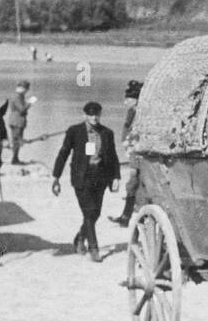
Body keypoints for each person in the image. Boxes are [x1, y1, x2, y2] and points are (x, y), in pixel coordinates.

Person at [52, 100, 120, 262]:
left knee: (96, 213)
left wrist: (116, 177)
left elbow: (114, 156)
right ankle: (94, 248)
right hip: (81, 177)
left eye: (96, 115)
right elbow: (64, 153)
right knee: (89, 212)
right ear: (85, 115)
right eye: (90, 115)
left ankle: (79, 237)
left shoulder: (107, 133)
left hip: (101, 178)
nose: (94, 118)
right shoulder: (75, 131)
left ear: (100, 115)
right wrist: (56, 177)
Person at [110, 80, 143, 227]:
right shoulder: (132, 112)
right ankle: (127, 215)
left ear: (135, 100)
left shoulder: (138, 115)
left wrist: (134, 162)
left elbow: (136, 138)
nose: (125, 102)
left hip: (136, 154)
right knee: (133, 185)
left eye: (128, 99)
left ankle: (127, 217)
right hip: (132, 153)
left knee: (133, 183)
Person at [5, 80, 35, 165]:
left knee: (17, 141)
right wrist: (30, 102)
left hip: (17, 122)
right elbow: (22, 109)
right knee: (17, 141)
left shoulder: (19, 96)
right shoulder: (17, 96)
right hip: (16, 122)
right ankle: (14, 160)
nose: (27, 91)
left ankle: (15, 159)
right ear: (23, 88)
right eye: (26, 89)